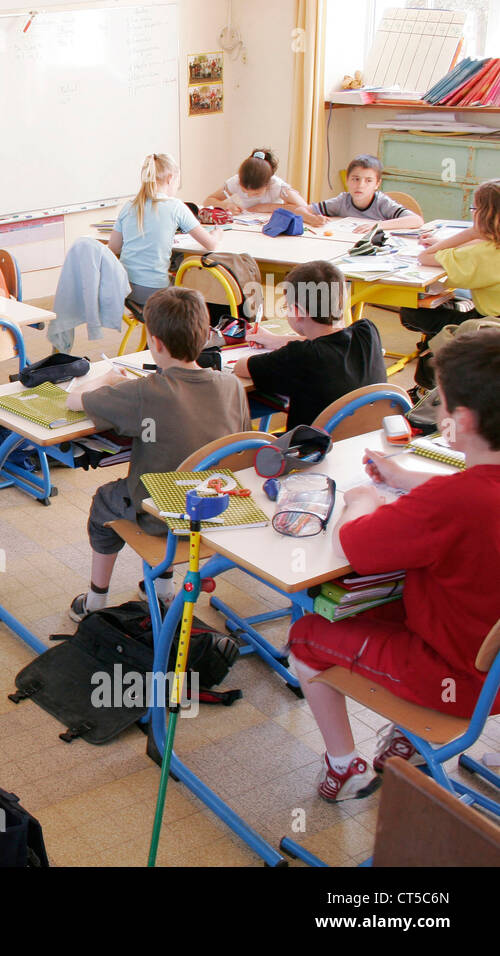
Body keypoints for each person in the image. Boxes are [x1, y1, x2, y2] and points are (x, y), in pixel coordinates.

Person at [287, 328, 500, 801]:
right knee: (375, 609)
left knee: (306, 636)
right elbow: (477, 494)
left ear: (460, 420)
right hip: (487, 661)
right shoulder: (461, 493)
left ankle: (345, 768)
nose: (437, 413)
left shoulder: (452, 501)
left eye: (441, 404)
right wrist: (409, 479)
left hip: (459, 680)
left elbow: (357, 546)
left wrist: (362, 499)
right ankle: (409, 741)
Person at [65, 287, 250, 620]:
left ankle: (95, 599)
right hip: (215, 511)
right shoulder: (232, 386)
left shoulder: (145, 392)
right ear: (206, 335)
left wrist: (107, 377)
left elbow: (74, 400)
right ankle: (163, 590)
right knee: (179, 475)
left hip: (161, 516)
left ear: (156, 343)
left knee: (105, 501)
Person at [233, 260, 386, 430]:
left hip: (308, 452)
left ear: (298, 312)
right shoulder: (367, 331)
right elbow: (328, 342)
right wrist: (274, 339)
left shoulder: (299, 356)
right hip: (363, 443)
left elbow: (241, 367)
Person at [108, 153, 222, 309]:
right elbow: (211, 245)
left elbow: (114, 247)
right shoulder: (175, 206)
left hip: (125, 289)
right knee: (199, 286)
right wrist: (216, 233)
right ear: (170, 178)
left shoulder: (129, 205)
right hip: (156, 292)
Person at [399, 179, 500, 348]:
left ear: (484, 214)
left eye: (474, 208)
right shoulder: (487, 248)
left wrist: (471, 233)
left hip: (488, 325)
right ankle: (435, 350)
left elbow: (425, 256)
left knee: (411, 313)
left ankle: (438, 352)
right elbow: (480, 246)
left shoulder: (482, 254)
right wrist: (442, 242)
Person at [305, 155, 424, 232]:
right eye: (355, 179)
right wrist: (312, 219)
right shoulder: (342, 201)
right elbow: (304, 210)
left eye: (368, 180)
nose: (360, 185)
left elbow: (416, 220)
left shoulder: (382, 202)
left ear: (377, 184)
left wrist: (377, 225)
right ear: (347, 180)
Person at [203, 147, 308, 216]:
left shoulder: (276, 185)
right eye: (244, 191)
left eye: (256, 193)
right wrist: (226, 206)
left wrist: (267, 207)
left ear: (267, 184)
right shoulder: (235, 181)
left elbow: (305, 208)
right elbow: (208, 201)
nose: (250, 195)